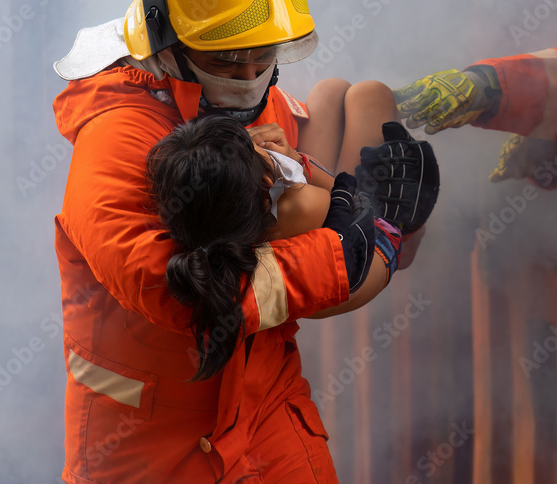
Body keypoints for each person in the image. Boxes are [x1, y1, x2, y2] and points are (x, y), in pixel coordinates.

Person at [51, 0, 438, 483]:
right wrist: (356, 248)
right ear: (166, 41)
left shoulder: (254, 100)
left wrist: (384, 217)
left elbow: (308, 210)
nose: (249, 76)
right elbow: (178, 292)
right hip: (149, 441)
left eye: (264, 57)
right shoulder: (116, 135)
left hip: (265, 408)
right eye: (227, 60)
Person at [146, 115, 407, 381]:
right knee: (365, 101)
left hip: (325, 269)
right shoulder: (301, 204)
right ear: (266, 188)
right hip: (378, 248)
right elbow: (349, 196)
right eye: (264, 154)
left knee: (332, 96)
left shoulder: (212, 226)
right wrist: (296, 159)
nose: (274, 154)